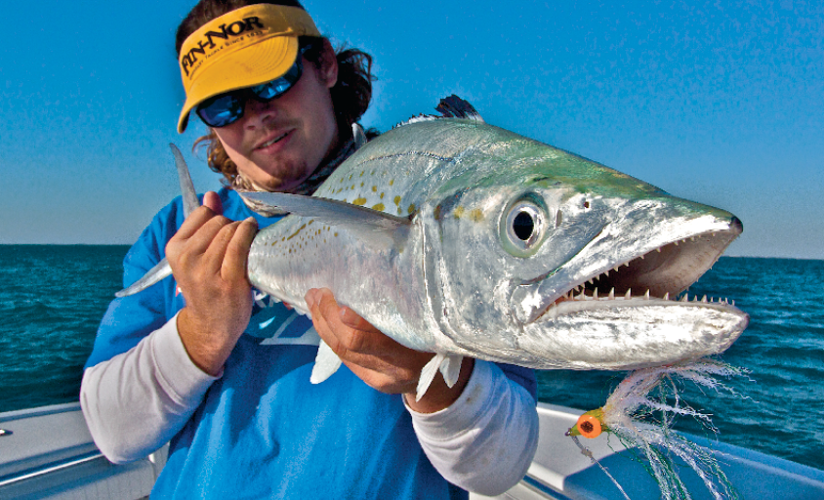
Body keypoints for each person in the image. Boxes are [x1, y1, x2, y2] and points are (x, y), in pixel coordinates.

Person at [80, 1, 539, 498]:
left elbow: (499, 469)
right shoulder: (182, 233)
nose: (255, 115)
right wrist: (201, 332)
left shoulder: (436, 200)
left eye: (270, 80)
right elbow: (112, 434)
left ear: (323, 63)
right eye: (224, 106)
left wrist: (428, 374)